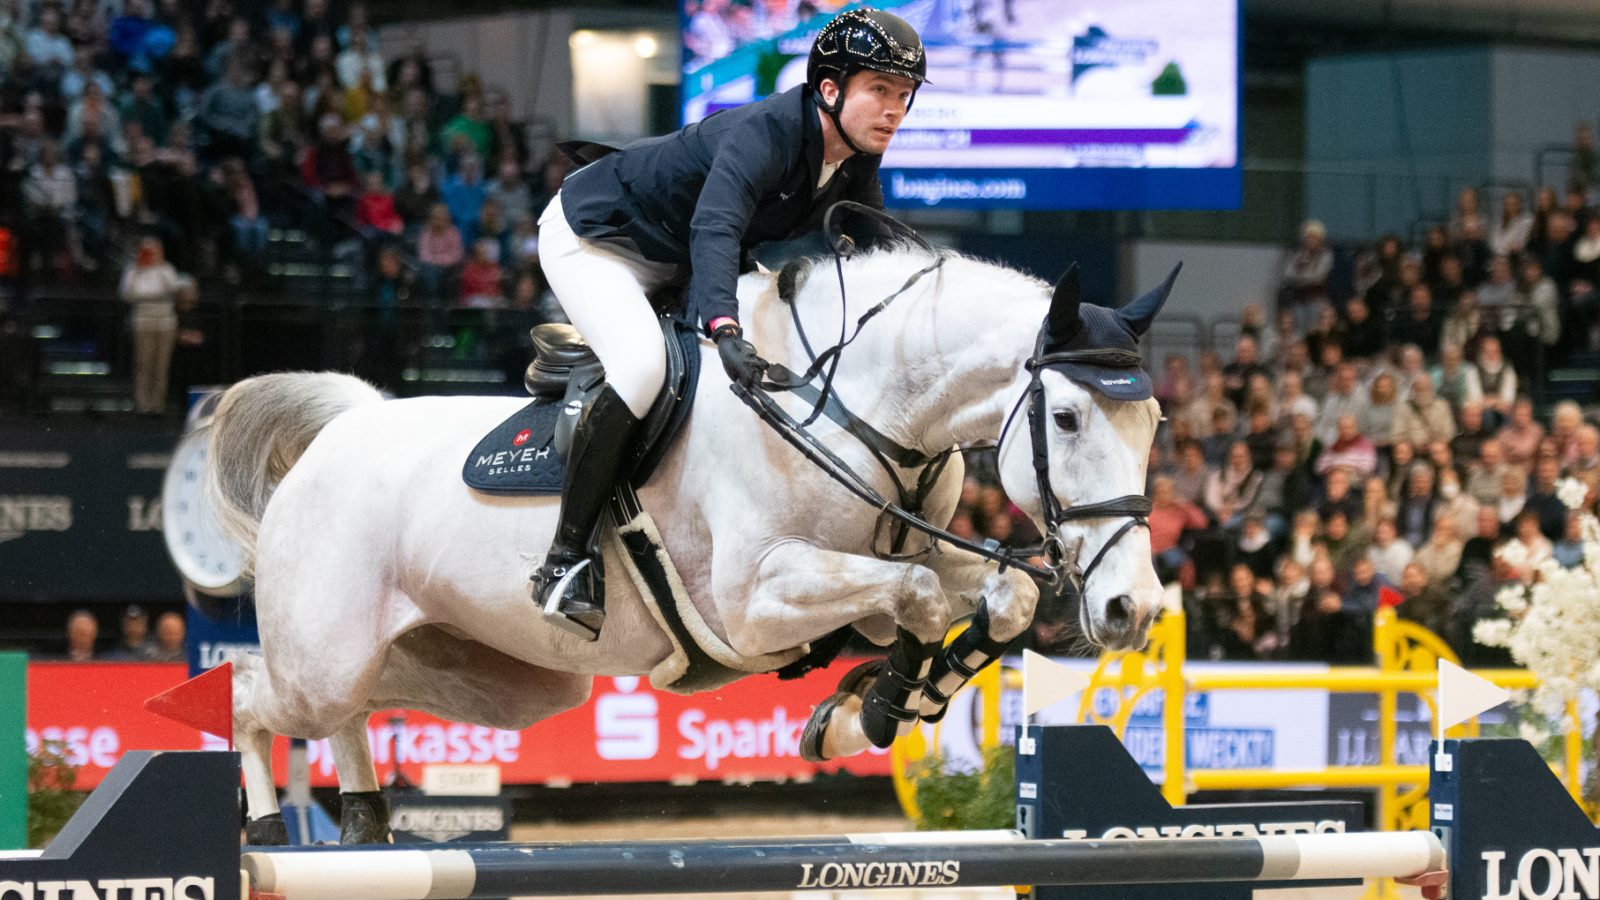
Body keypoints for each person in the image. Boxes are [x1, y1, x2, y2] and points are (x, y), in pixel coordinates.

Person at [528, 8, 924, 640]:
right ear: (830, 89)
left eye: (903, 96)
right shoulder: (765, 132)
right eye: (879, 90)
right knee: (641, 368)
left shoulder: (853, 159)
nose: (893, 109)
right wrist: (724, 327)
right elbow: (716, 227)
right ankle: (565, 559)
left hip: (677, 254)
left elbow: (884, 250)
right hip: (597, 240)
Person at [120, 235, 185, 414]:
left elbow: (172, 288)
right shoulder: (133, 271)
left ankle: (158, 404)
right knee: (143, 363)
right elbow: (126, 294)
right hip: (142, 322)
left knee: (161, 364)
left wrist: (160, 265)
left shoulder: (166, 269)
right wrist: (138, 269)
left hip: (165, 323)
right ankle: (142, 403)